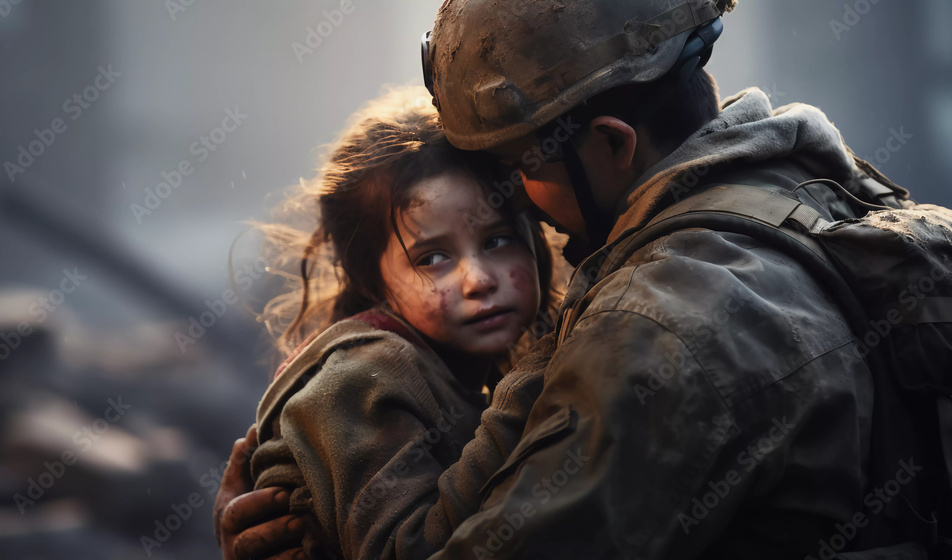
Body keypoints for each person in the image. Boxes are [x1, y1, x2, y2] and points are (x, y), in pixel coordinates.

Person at [216, 1, 946, 558]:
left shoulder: (659, 326)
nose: (524, 202)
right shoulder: (828, 197)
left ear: (608, 144)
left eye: (524, 168)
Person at [215, 85, 566, 560]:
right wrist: (524, 394)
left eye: (498, 240)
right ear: (373, 281)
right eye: (433, 257)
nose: (479, 279)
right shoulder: (363, 378)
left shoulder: (447, 370)